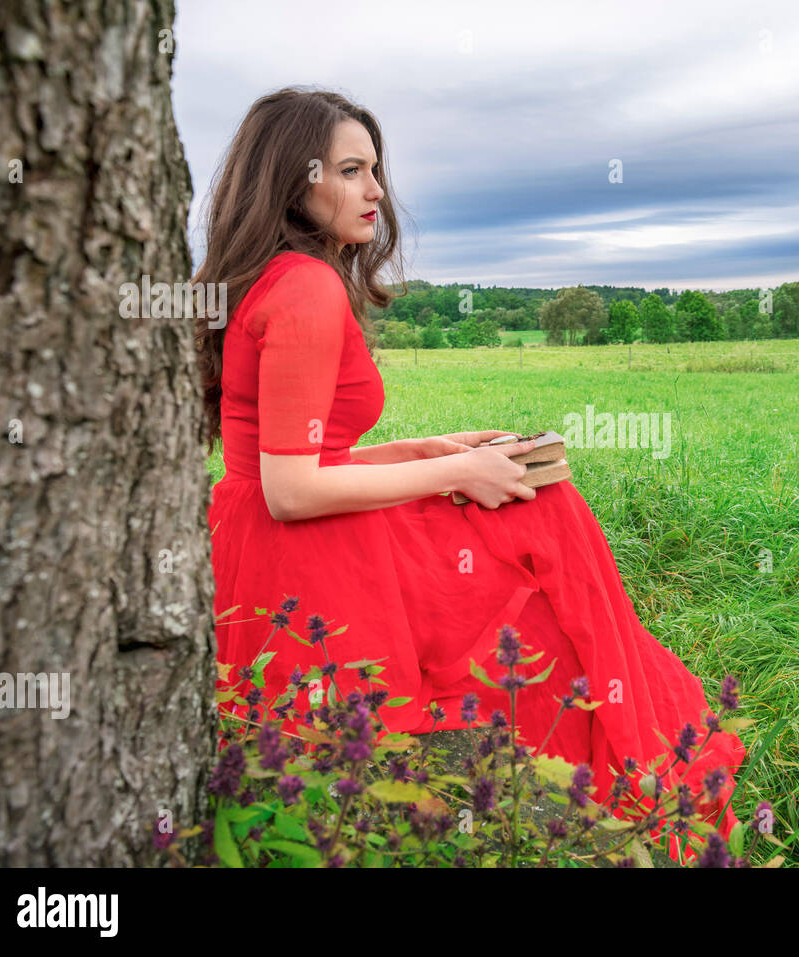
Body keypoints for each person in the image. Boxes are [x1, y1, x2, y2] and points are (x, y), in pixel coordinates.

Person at [193, 87, 746, 865]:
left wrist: (429, 450)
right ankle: (621, 752)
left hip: (264, 540)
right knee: (545, 517)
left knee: (535, 510)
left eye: (376, 170)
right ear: (296, 181)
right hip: (304, 555)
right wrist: (455, 471)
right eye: (353, 171)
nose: (378, 192)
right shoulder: (308, 289)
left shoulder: (276, 278)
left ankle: (592, 744)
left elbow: (290, 461)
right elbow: (291, 490)